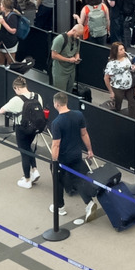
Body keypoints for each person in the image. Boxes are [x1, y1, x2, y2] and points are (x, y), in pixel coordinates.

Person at [48, 91, 101, 224]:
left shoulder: (57, 123)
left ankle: (60, 207)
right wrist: (89, 149)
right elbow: (84, 133)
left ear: (56, 104)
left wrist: (54, 161)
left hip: (63, 158)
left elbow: (56, 145)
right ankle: (89, 203)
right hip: (76, 154)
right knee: (78, 180)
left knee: (57, 181)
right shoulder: (78, 115)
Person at [0, 75, 46, 187]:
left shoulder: (16, 99)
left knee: (24, 152)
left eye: (15, 90)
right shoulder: (37, 96)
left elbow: (1, 111)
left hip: (22, 129)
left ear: (17, 88)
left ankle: (27, 180)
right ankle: (34, 170)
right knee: (28, 148)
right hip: (35, 128)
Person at [103, 41, 135, 118]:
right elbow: (106, 78)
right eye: (120, 49)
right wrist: (111, 92)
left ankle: (133, 120)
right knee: (117, 106)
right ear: (116, 52)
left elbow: (132, 65)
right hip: (117, 88)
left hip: (129, 86)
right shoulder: (111, 64)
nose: (123, 51)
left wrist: (133, 67)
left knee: (133, 103)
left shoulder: (127, 56)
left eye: (123, 48)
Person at [50, 18, 83, 91]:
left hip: (71, 70)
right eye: (77, 35)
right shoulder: (60, 39)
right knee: (60, 92)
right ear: (73, 30)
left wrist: (77, 58)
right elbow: (54, 55)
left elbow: (77, 52)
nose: (78, 37)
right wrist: (68, 60)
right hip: (60, 70)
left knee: (69, 91)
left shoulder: (77, 41)